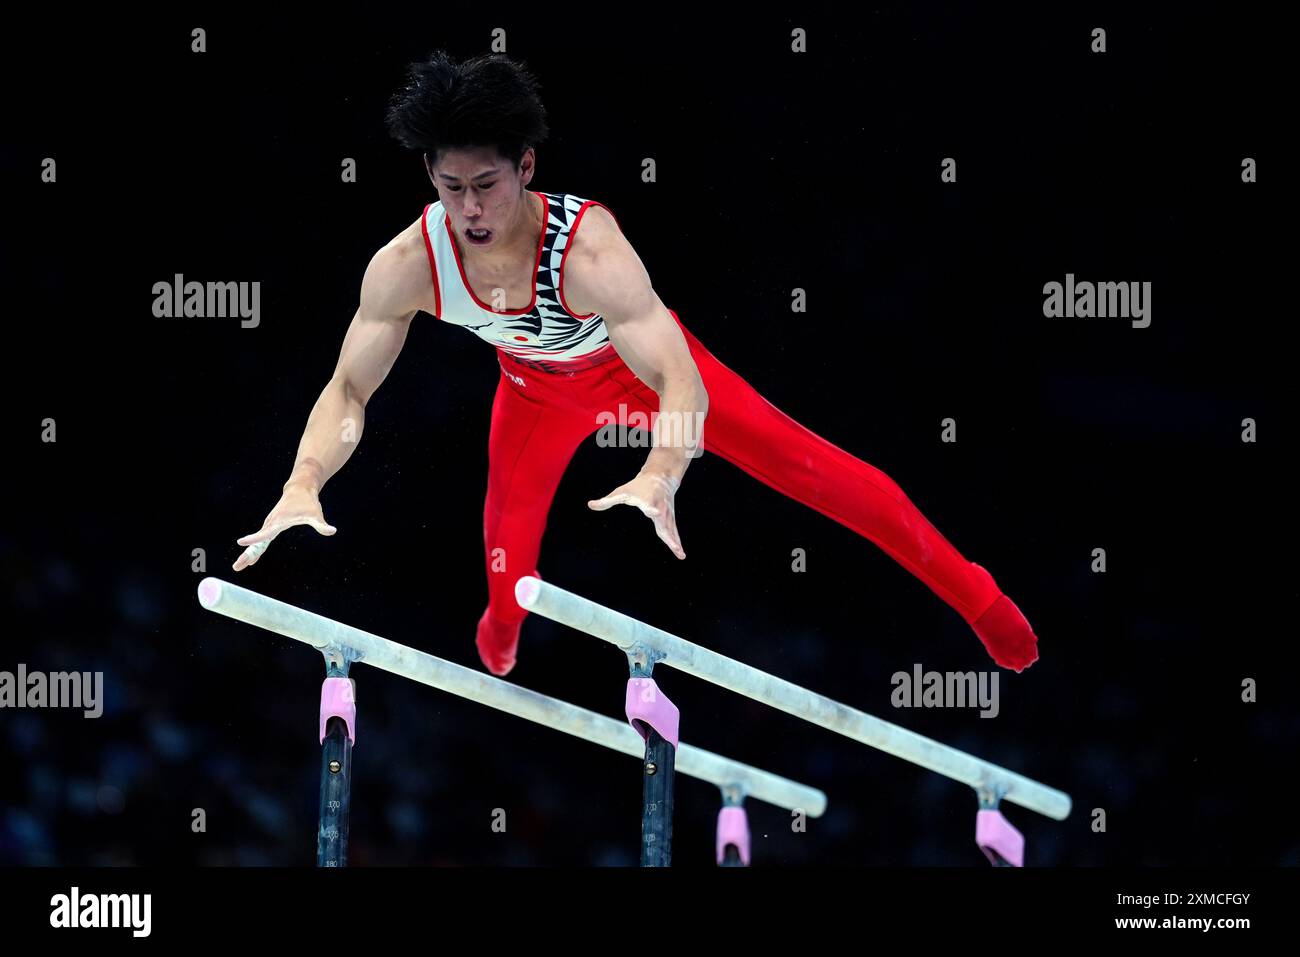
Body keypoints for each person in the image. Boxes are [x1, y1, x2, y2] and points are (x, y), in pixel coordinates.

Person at [231, 50, 1039, 677]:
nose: (471, 209)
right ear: (428, 178)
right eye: (451, 187)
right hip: (534, 392)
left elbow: (677, 378)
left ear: (528, 168)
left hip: (646, 381)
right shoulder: (408, 262)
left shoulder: (589, 250)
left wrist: (661, 468)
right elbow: (348, 389)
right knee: (507, 561)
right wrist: (304, 479)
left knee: (817, 471)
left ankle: (976, 594)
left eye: (487, 183)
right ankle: (503, 626)